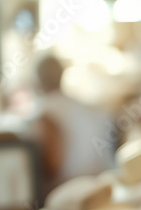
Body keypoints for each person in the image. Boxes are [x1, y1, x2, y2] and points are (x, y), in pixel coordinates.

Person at [33, 55, 114, 190]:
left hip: (71, 189)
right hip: (105, 184)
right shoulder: (90, 108)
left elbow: (52, 165)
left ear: (37, 80)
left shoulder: (45, 114)